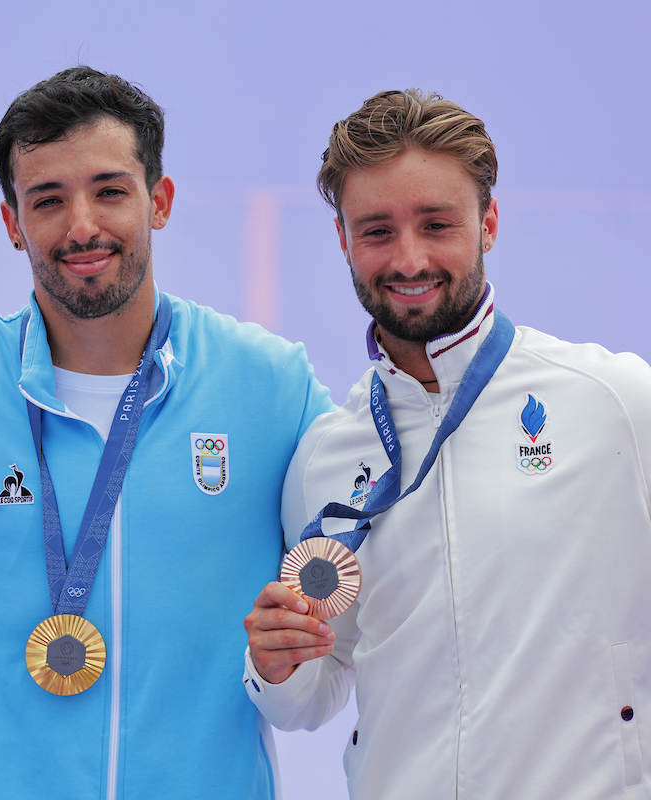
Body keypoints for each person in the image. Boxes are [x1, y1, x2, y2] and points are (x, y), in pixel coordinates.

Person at [0, 67, 332, 800]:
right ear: (12, 223)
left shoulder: (269, 387)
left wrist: (289, 666)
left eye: (110, 191)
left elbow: (361, 586)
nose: (82, 227)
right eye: (48, 200)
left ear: (159, 201)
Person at [243, 89, 651, 798]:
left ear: (488, 222)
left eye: (436, 224)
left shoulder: (614, 402)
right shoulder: (328, 455)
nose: (409, 259)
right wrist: (277, 666)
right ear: (342, 238)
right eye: (376, 231)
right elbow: (318, 691)